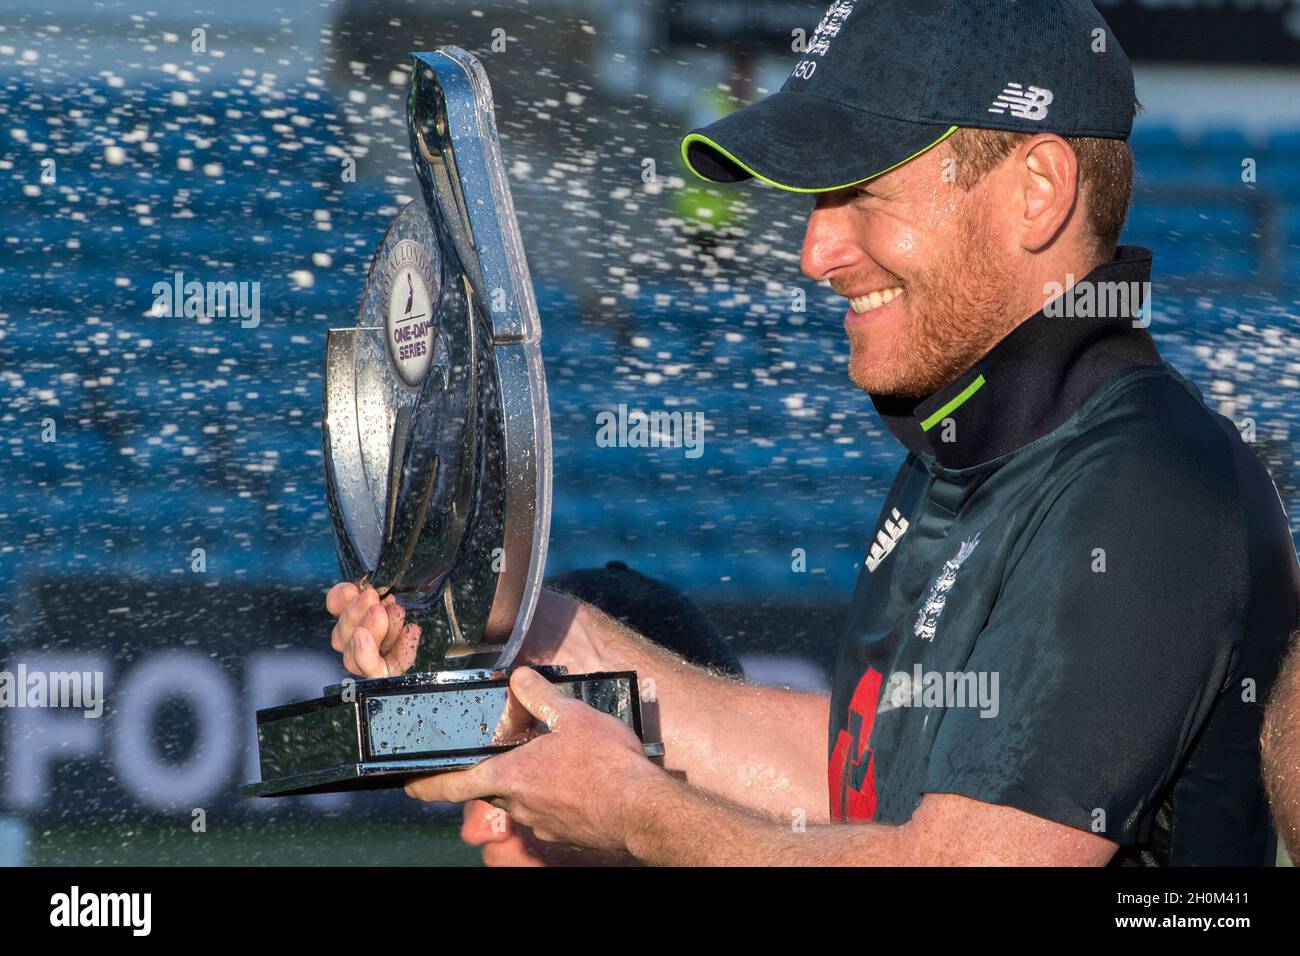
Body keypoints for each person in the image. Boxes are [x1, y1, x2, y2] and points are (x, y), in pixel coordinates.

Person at [326, 0, 1300, 865]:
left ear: (1035, 190)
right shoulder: (971, 461)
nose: (814, 250)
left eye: (858, 192)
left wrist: (634, 810)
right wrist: (517, 631)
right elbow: (862, 786)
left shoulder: (1142, 482)